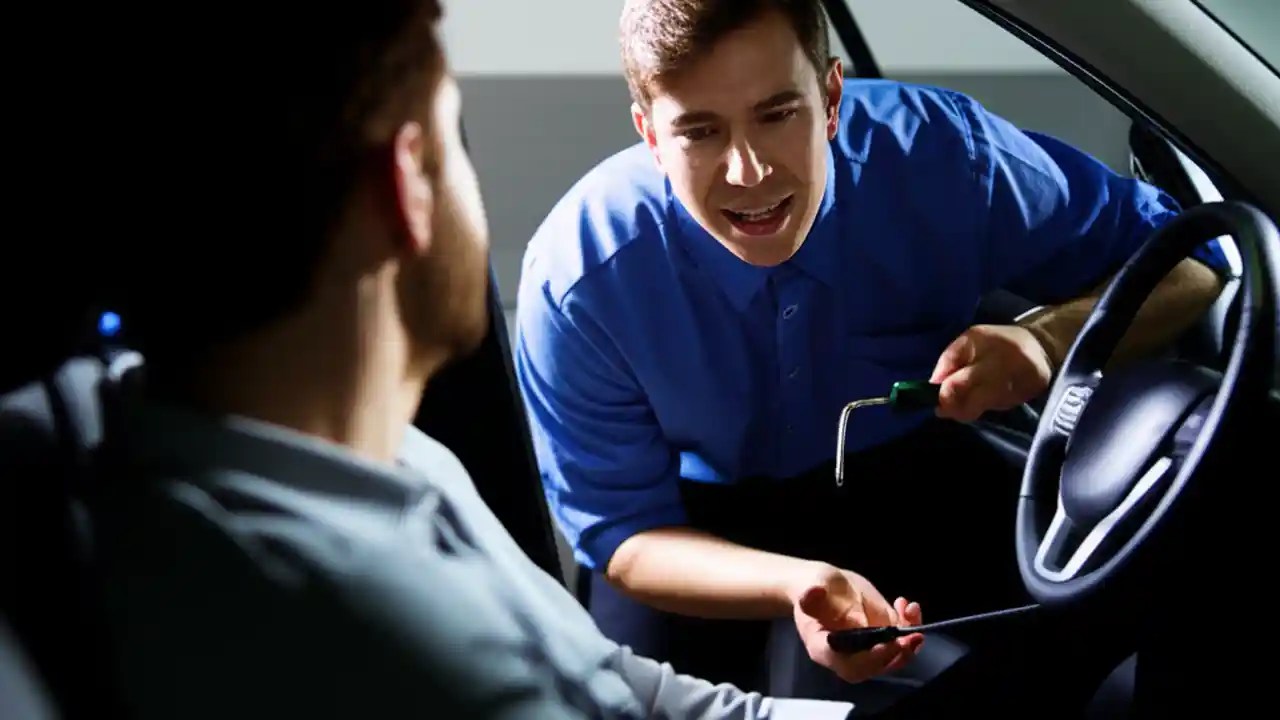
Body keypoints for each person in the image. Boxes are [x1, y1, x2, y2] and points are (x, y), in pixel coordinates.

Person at [89, 1, 917, 718]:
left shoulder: (398, 462)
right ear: (407, 186)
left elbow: (615, 689)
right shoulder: (377, 649)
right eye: (455, 135)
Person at [512, 0, 1230, 713]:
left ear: (829, 98)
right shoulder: (577, 279)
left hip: (908, 464)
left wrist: (1046, 340)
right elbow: (625, 535)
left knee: (1119, 597)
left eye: (777, 113)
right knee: (614, 706)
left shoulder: (948, 158)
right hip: (691, 521)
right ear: (649, 134)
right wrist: (799, 585)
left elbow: (1194, 261)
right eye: (700, 131)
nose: (749, 171)